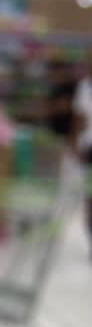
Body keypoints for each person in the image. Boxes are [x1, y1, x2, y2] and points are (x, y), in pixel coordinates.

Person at [72, 64, 92, 260]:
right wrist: (77, 145)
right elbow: (80, 119)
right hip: (90, 147)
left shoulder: (85, 87)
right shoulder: (85, 87)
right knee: (89, 196)